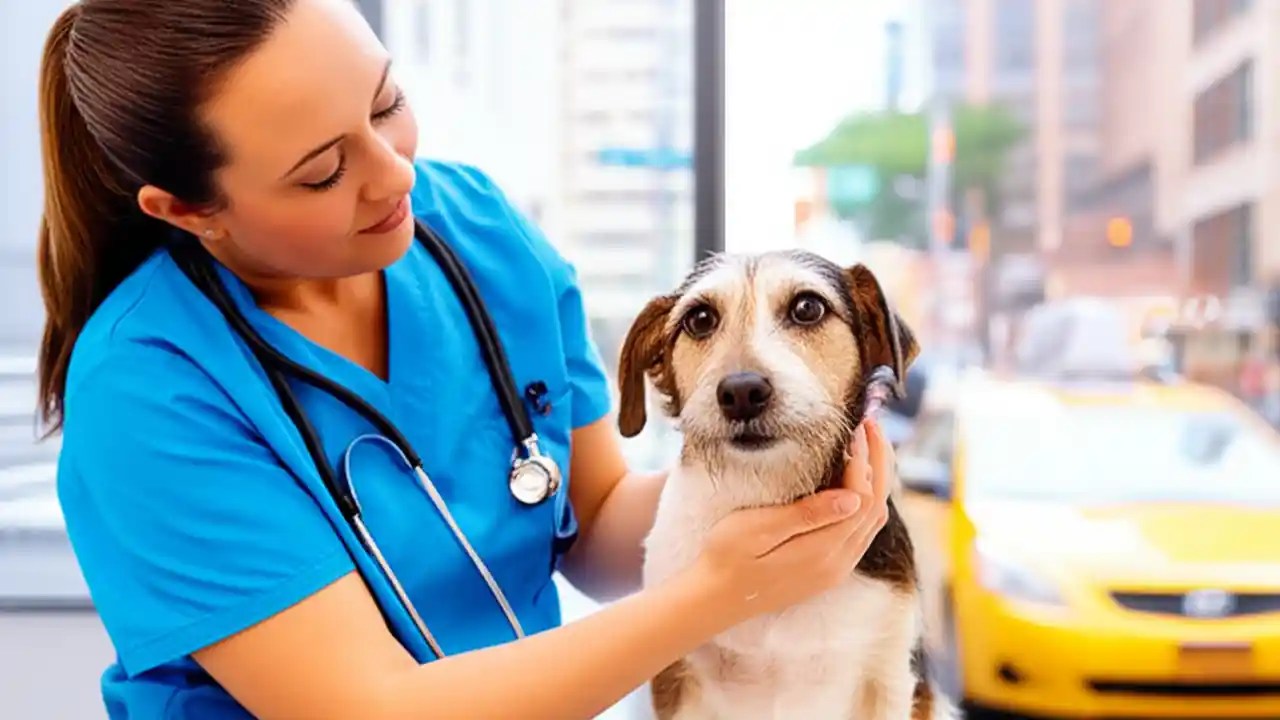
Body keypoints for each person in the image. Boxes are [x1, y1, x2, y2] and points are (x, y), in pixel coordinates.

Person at [35, 1, 897, 718]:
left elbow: (595, 522)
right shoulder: (145, 391)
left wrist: (780, 482)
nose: (393, 175)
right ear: (189, 209)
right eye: (324, 171)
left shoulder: (478, 232)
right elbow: (372, 710)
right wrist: (715, 592)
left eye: (384, 105)